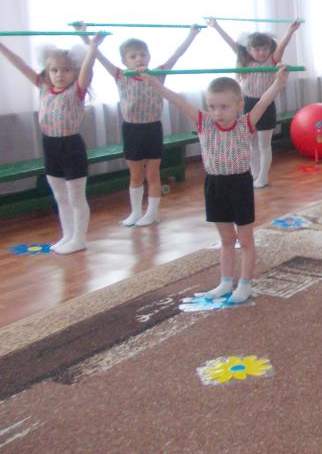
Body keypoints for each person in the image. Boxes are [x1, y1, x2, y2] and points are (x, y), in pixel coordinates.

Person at [141, 65, 289, 304]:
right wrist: (153, 83)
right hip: (215, 186)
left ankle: (245, 283)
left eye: (224, 107)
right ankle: (225, 281)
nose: (217, 113)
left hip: (239, 184)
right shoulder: (204, 122)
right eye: (212, 106)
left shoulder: (246, 123)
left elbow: (263, 101)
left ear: (239, 105)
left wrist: (279, 82)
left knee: (246, 239)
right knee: (227, 239)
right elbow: (177, 100)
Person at [75, 24, 202, 226]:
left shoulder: (157, 74)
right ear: (125, 61)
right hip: (132, 129)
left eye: (143, 55)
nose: (139, 59)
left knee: (152, 173)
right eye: (133, 56)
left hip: (152, 128)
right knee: (136, 174)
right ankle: (135, 212)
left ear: (149, 57)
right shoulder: (120, 76)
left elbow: (177, 55)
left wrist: (192, 34)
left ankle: (152, 213)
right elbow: (98, 56)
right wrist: (84, 36)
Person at [0, 34, 106, 254]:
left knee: (76, 196)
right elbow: (20, 64)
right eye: (55, 70)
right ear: (47, 72)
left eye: (66, 70)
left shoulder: (76, 90)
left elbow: (87, 68)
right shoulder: (43, 87)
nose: (59, 75)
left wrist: (92, 48)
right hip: (50, 146)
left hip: (71, 147)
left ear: (74, 72)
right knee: (60, 196)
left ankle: (79, 238)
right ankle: (68, 235)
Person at [206, 18, 302, 188]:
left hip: (266, 105)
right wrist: (216, 26)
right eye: (257, 50)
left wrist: (291, 30)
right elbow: (230, 42)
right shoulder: (246, 61)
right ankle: (255, 174)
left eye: (265, 49)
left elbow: (282, 45)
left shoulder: (272, 61)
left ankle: (263, 177)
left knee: (264, 144)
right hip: (248, 104)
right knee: (250, 143)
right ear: (249, 50)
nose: (261, 53)